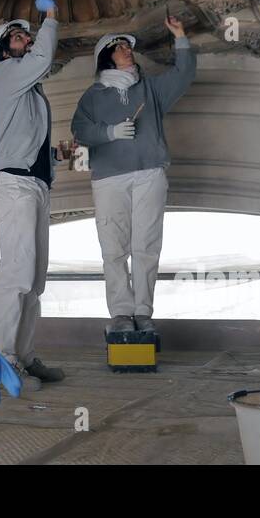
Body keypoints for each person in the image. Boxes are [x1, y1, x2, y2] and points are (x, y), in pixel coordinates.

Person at [70, 17, 195, 335]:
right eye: (121, 48)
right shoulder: (93, 96)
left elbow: (184, 75)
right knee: (113, 249)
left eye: (128, 47)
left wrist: (180, 36)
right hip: (109, 178)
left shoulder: (149, 88)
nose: (128, 51)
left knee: (147, 245)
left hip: (149, 173)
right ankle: (121, 312)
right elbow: (80, 130)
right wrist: (109, 132)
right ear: (107, 58)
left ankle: (142, 312)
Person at [0, 0, 67, 391]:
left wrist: (53, 156)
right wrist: (49, 18)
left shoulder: (30, 92)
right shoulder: (4, 75)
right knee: (16, 272)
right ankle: (0, 358)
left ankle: (23, 355)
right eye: (19, 37)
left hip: (33, 184)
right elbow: (42, 58)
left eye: (27, 35)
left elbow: (24, 137)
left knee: (34, 279)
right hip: (15, 185)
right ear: (3, 51)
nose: (27, 40)